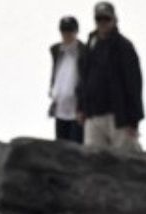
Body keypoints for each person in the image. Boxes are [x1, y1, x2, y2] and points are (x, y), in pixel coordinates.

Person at [76, 2, 144, 152]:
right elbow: (83, 78)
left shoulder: (124, 47)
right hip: (93, 115)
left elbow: (134, 83)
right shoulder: (91, 45)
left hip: (118, 117)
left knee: (124, 162)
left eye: (106, 19)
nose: (103, 23)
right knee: (92, 163)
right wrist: (81, 106)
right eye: (99, 19)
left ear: (114, 19)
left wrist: (134, 120)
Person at [48, 16, 84, 144]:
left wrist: (84, 106)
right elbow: (57, 75)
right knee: (60, 147)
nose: (67, 35)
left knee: (75, 148)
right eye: (64, 31)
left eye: (70, 31)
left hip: (77, 109)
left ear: (76, 32)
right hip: (60, 108)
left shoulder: (83, 52)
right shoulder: (58, 51)